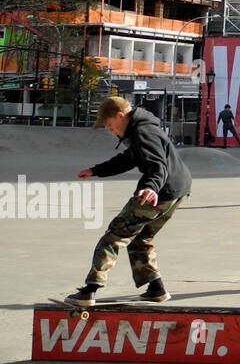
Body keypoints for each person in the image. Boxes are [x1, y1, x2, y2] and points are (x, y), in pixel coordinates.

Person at [65, 97, 193, 306]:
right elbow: (128, 159)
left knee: (115, 235)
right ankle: (156, 288)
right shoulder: (140, 129)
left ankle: (90, 290)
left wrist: (151, 187)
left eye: (109, 125)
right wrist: (96, 170)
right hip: (177, 190)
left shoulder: (142, 132)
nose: (110, 130)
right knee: (140, 238)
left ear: (120, 116)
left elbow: (157, 166)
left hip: (159, 191)